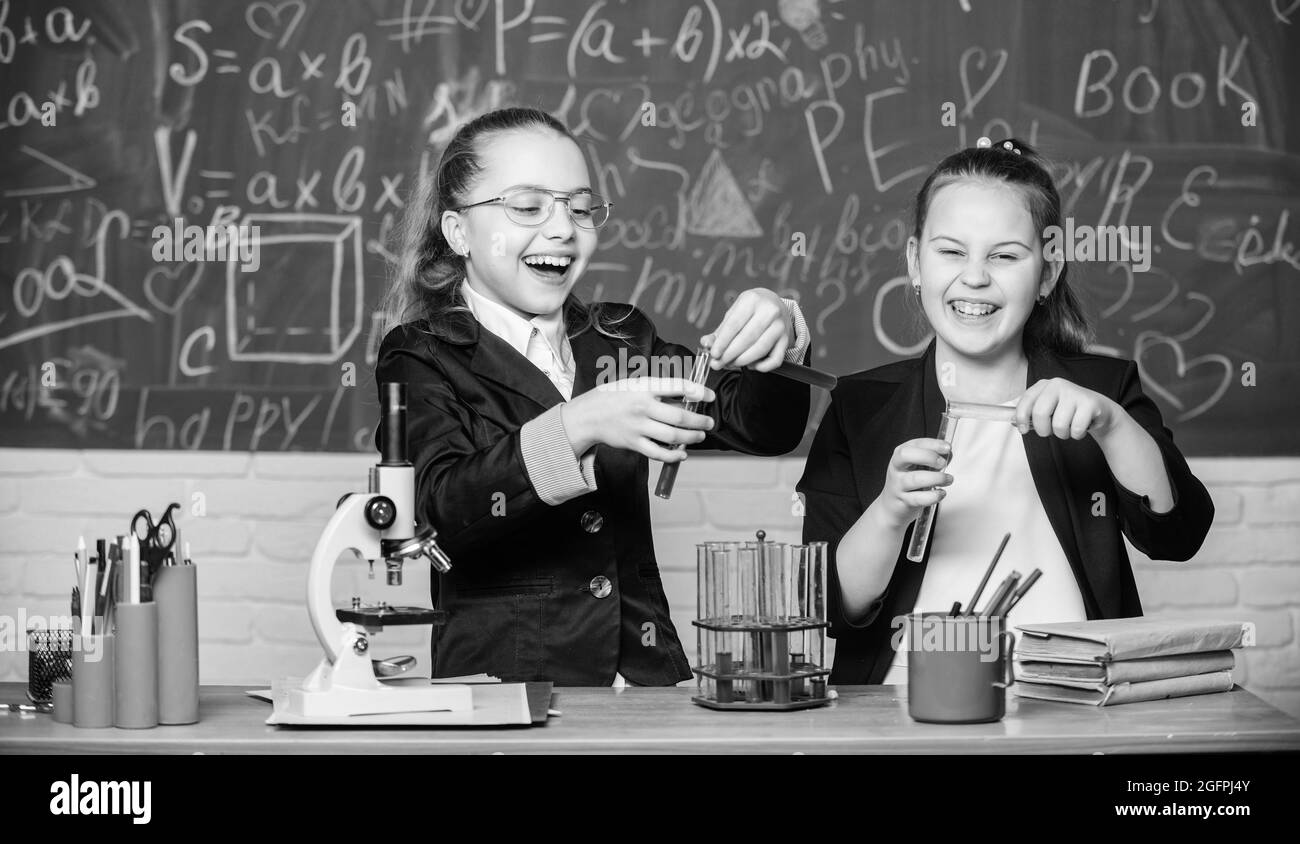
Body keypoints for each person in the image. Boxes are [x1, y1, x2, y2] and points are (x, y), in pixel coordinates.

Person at [375, 107, 812, 686]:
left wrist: (776, 331)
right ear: (459, 232)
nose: (562, 229)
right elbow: (436, 516)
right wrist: (576, 425)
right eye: (528, 207)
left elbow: (761, 427)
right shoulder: (422, 353)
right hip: (508, 694)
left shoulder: (621, 337)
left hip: (645, 686)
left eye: (580, 208)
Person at [797, 138, 1214, 685]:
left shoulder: (1101, 393)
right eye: (951, 252)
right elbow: (829, 606)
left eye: (1004, 256)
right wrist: (890, 511)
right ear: (914, 263)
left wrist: (1112, 426)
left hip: (1073, 705)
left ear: (1046, 273)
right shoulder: (859, 405)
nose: (975, 277)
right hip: (900, 712)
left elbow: (1179, 536)